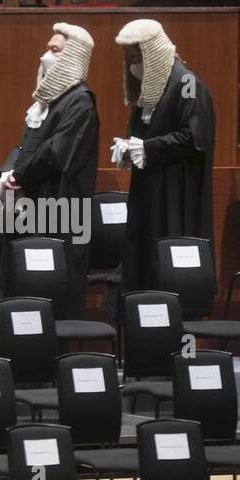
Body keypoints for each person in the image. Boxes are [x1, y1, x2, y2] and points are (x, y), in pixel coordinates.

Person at [105, 18, 215, 314]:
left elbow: (196, 136)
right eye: (128, 59)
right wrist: (129, 147)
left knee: (164, 262)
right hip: (147, 191)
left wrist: (148, 148)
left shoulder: (188, 83)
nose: (132, 65)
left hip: (175, 195)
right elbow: (142, 133)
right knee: (142, 256)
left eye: (137, 58)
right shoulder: (152, 88)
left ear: (152, 54)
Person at [0, 22, 98, 319]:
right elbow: (25, 146)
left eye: (54, 50)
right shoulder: (46, 101)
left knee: (48, 292)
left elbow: (55, 152)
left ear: (72, 57)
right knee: (21, 286)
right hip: (28, 205)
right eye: (47, 48)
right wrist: (7, 173)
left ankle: (49, 362)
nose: (45, 56)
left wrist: (19, 177)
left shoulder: (80, 102)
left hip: (57, 209)